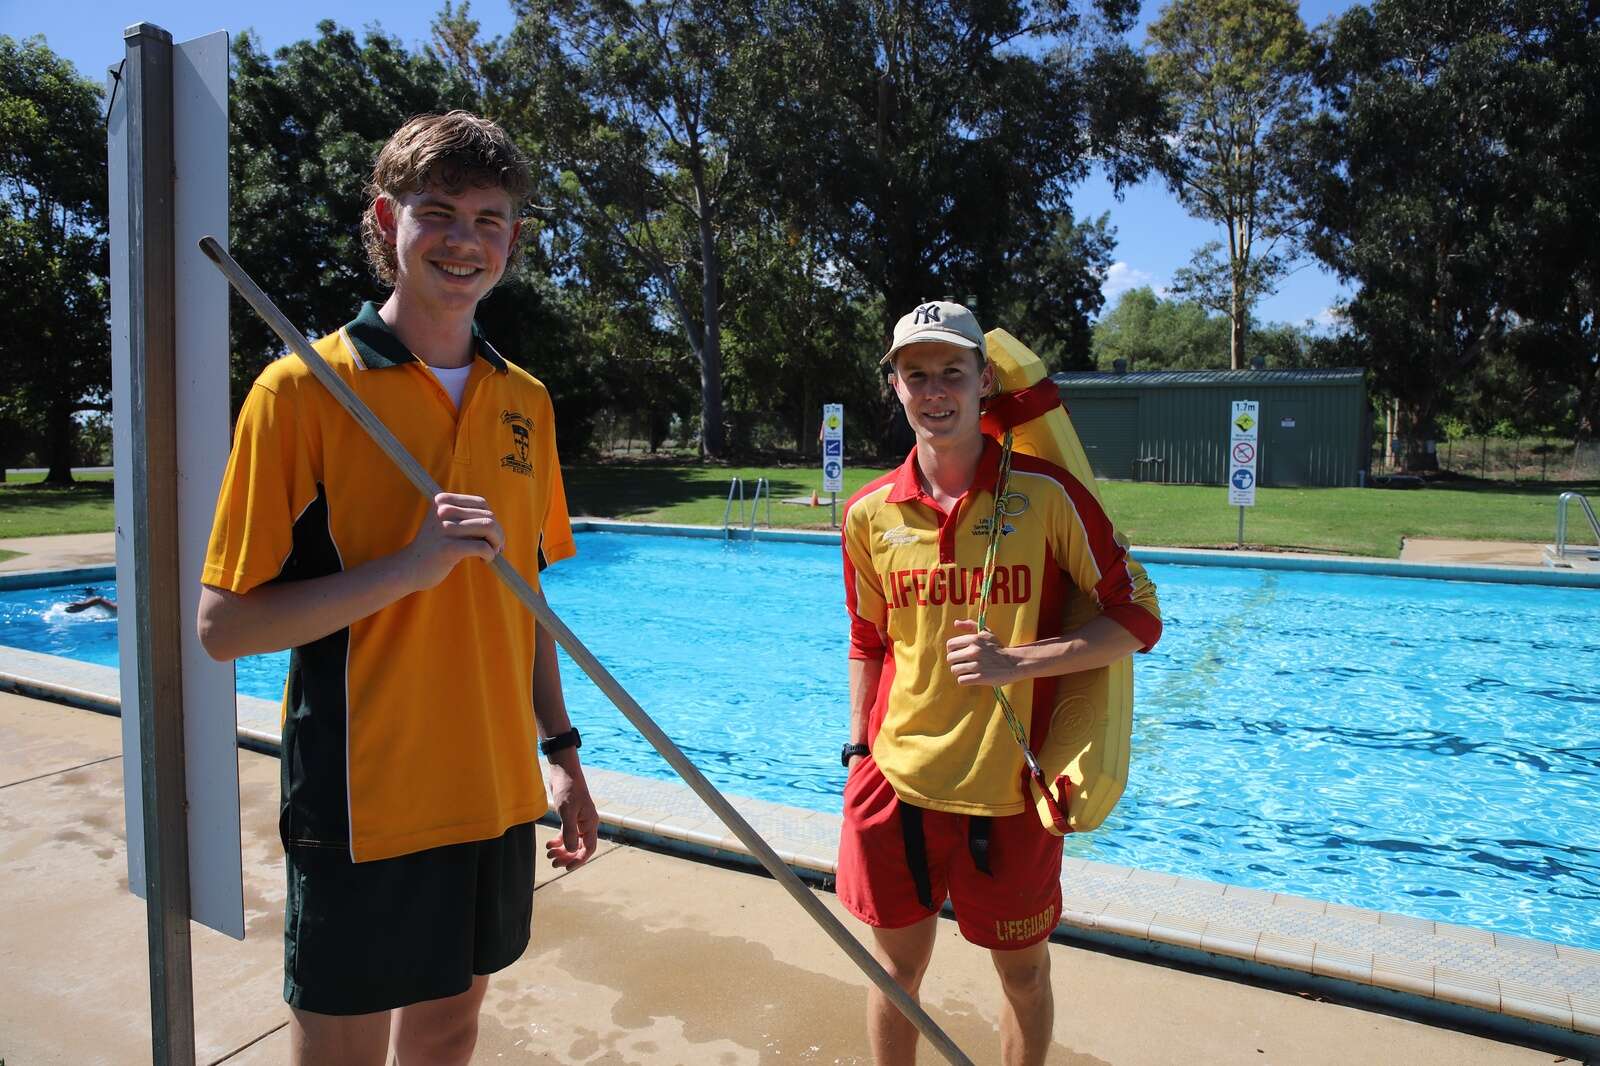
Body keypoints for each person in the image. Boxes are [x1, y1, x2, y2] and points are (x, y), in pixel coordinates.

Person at [196, 111, 597, 1066]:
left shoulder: (525, 402)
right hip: (362, 794)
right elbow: (224, 628)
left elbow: (527, 597)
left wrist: (562, 748)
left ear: (513, 237)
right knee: (340, 1048)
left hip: (494, 786)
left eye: (490, 218)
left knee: (452, 1027)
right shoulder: (300, 391)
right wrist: (409, 569)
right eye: (439, 212)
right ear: (388, 219)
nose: (465, 240)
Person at [838, 301, 1163, 1066]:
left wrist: (1017, 663)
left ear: (984, 381)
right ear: (895, 388)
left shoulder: (1047, 496)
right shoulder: (867, 515)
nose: (935, 390)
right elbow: (868, 639)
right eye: (916, 375)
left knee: (1023, 974)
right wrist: (858, 750)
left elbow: (1139, 619)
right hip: (898, 786)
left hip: (1012, 796)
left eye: (953, 371)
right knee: (894, 974)